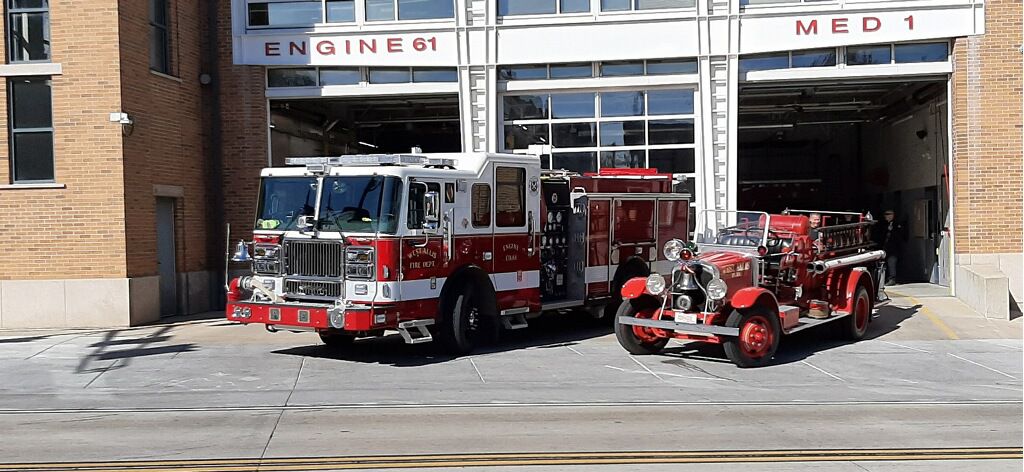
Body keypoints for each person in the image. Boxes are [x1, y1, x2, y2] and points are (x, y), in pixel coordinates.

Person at [874, 209, 903, 285]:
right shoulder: (883, 225)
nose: (886, 216)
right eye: (885, 214)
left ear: (893, 215)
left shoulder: (897, 224)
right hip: (885, 247)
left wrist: (892, 230)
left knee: (891, 262)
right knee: (884, 264)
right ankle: (884, 279)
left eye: (888, 214)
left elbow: (900, 236)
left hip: (894, 248)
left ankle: (892, 279)